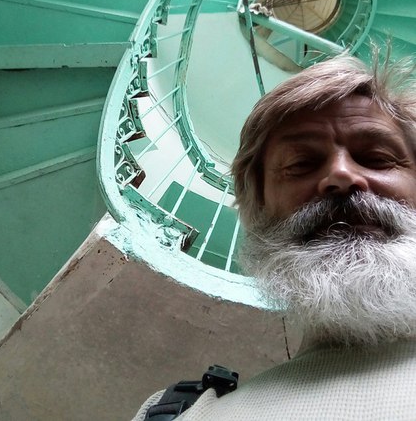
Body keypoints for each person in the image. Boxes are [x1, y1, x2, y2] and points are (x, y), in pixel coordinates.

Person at [133, 53, 416, 420]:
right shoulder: (176, 414)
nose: (342, 176)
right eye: (301, 164)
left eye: (377, 158)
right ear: (260, 210)